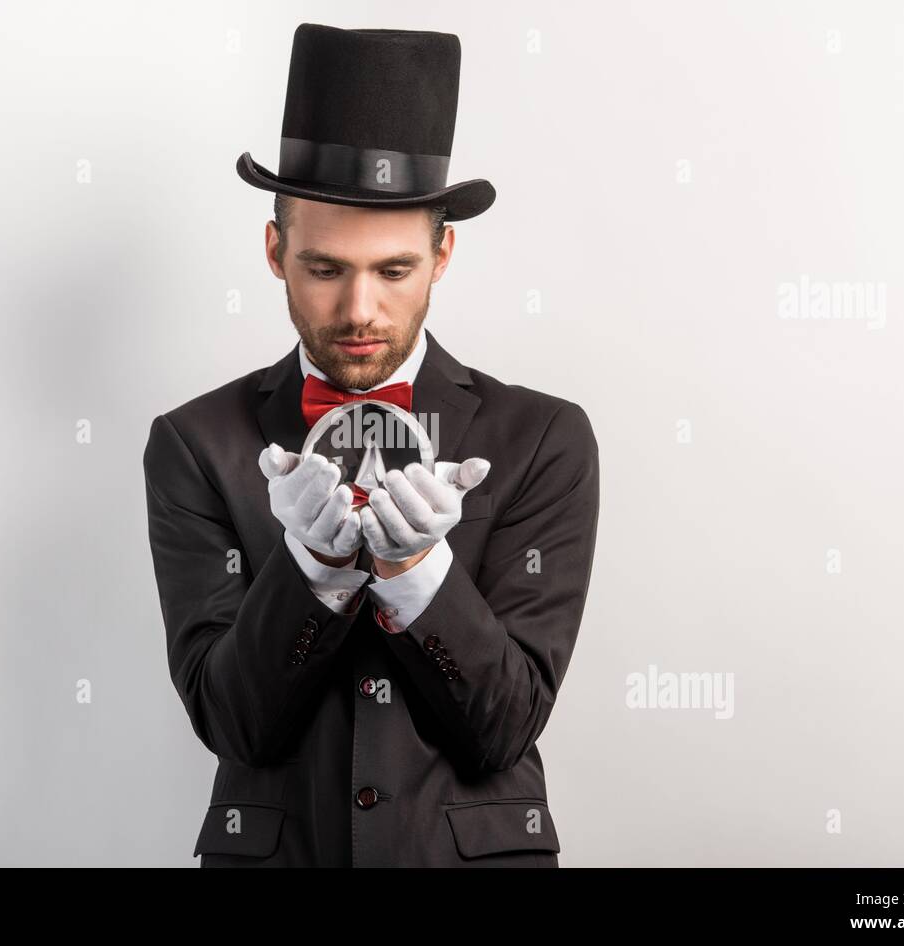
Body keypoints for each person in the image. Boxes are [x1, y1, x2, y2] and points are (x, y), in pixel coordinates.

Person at [143, 22, 600, 866]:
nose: (359, 309)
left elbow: (504, 725)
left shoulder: (543, 439)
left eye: (393, 270)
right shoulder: (194, 444)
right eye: (325, 268)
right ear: (276, 251)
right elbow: (233, 722)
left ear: (442, 255)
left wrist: (418, 575)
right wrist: (308, 571)